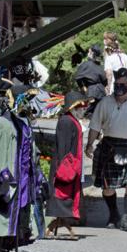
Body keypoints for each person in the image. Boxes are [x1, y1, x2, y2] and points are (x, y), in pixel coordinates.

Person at [85, 68, 127, 230]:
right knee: (107, 186)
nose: (120, 87)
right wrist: (89, 144)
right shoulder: (105, 102)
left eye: (123, 84)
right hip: (109, 145)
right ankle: (113, 215)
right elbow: (95, 126)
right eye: (117, 84)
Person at [45, 91, 90, 239]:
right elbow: (63, 148)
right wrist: (66, 168)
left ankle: (59, 223)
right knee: (62, 194)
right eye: (81, 107)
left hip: (72, 166)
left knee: (69, 194)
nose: (84, 110)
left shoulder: (72, 121)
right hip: (65, 167)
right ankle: (54, 225)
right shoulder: (66, 121)